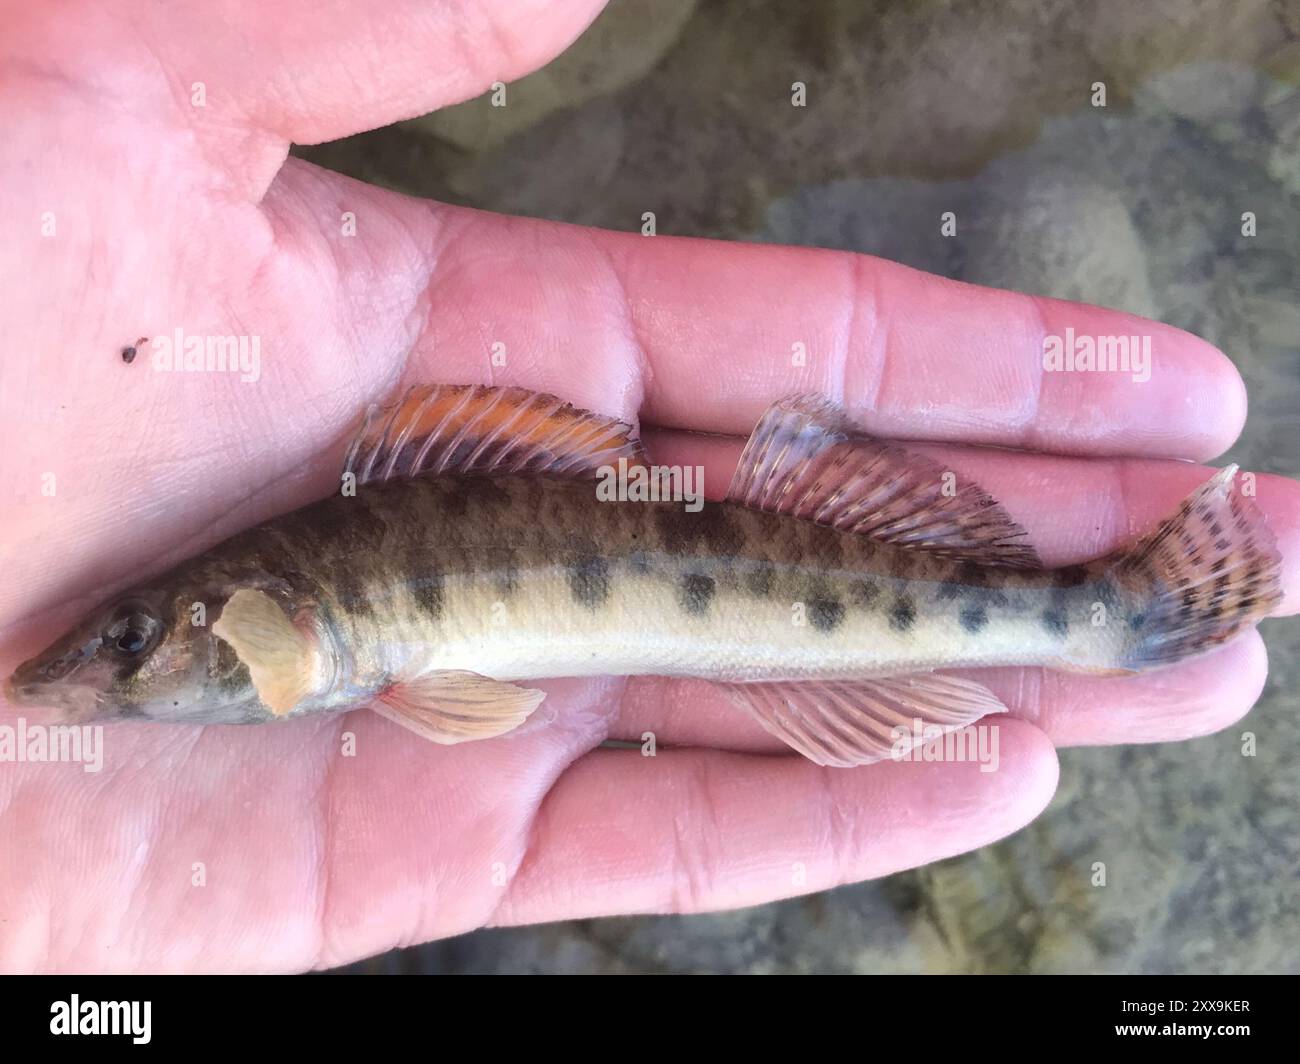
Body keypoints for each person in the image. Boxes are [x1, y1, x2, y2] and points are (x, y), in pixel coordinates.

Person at [0, 0, 1294, 973]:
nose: (114, 666)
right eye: (126, 643)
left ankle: (1117, 617)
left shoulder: (348, 613)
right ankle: (1123, 616)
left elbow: (458, 697)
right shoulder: (345, 635)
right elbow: (453, 698)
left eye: (133, 641)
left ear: (275, 607)